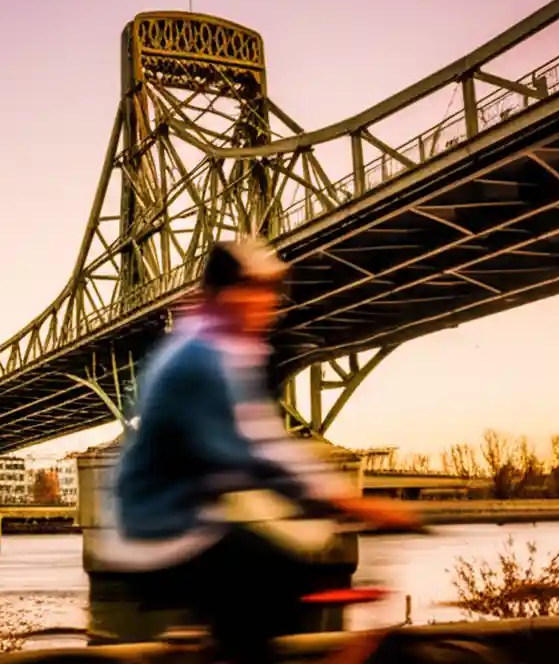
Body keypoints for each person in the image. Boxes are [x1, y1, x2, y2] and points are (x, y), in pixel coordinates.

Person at [107, 237, 419, 664]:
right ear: (228, 294)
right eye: (259, 289)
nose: (271, 303)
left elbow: (262, 439)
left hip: (176, 517)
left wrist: (323, 497)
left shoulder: (211, 345)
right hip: (163, 527)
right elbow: (251, 454)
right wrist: (345, 500)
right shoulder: (201, 357)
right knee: (276, 578)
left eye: (273, 291)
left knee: (265, 583)